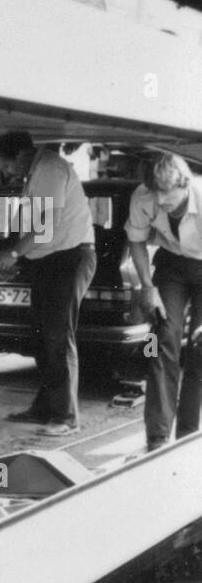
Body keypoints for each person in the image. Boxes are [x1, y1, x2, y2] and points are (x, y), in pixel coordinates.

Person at [0, 130, 96, 437]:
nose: (7, 173)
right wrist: (15, 249)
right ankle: (45, 407)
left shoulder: (49, 169)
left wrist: (13, 252)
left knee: (57, 337)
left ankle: (66, 417)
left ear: (20, 155)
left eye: (6, 167)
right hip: (50, 260)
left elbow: (46, 226)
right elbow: (32, 225)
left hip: (70, 258)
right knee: (42, 336)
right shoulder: (35, 173)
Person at [125, 153, 202, 450]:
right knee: (159, 340)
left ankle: (189, 436)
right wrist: (147, 285)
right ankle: (157, 438)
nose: (163, 202)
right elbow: (137, 239)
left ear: (185, 184)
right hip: (172, 265)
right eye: (158, 196)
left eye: (170, 197)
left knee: (199, 348)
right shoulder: (144, 196)